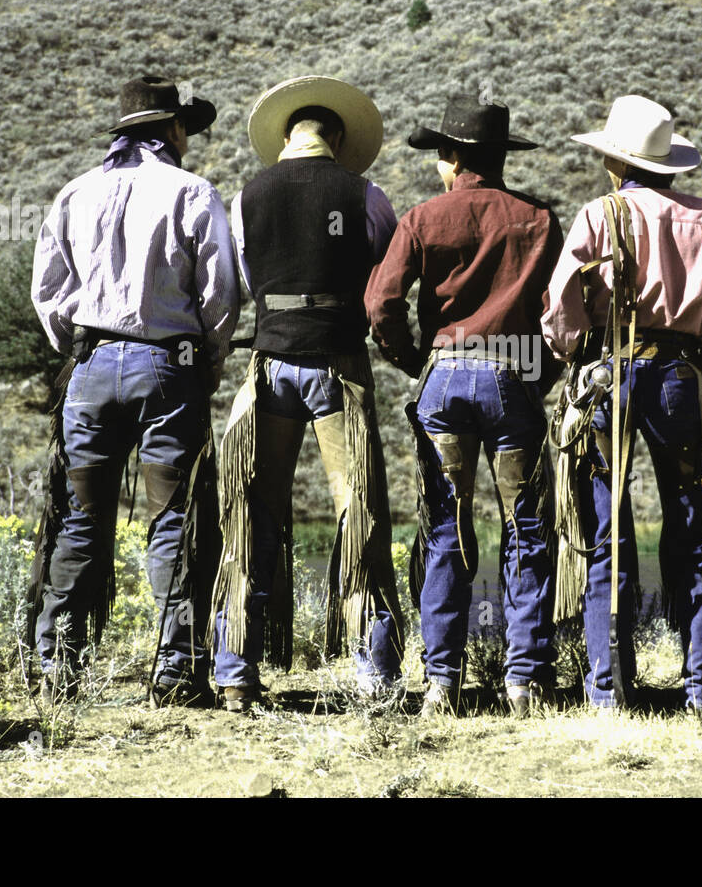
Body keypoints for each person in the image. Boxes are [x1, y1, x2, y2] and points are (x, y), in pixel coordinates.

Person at [29, 75, 239, 707]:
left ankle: (54, 663)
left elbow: (48, 292)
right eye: (185, 127)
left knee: (81, 518)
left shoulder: (74, 193)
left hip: (90, 369)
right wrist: (204, 353)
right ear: (171, 131)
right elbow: (221, 293)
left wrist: (81, 342)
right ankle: (175, 670)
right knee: (171, 518)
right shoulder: (193, 191)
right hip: (166, 367)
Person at [542, 95, 702, 714]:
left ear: (614, 162)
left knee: (608, 532)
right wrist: (700, 361)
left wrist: (577, 354)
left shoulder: (599, 213)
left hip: (610, 375)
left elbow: (560, 302)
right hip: (677, 377)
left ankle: (611, 689)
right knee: (693, 528)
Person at [212, 76, 405, 712]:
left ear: (288, 136)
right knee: (359, 510)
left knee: (251, 511)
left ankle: (235, 669)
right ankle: (374, 675)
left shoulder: (247, 197)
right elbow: (383, 269)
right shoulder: (365, 194)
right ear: (339, 139)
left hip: (268, 365)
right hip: (341, 366)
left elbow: (242, 280)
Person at [365, 97, 564, 716]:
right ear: (499, 157)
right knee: (525, 529)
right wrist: (544, 374)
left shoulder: (424, 218)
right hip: (513, 380)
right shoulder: (538, 219)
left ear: (452, 157)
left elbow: (381, 305)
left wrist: (415, 361)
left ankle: (442, 681)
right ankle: (524, 681)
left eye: (440, 157)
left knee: (444, 527)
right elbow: (563, 315)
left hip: (445, 381)